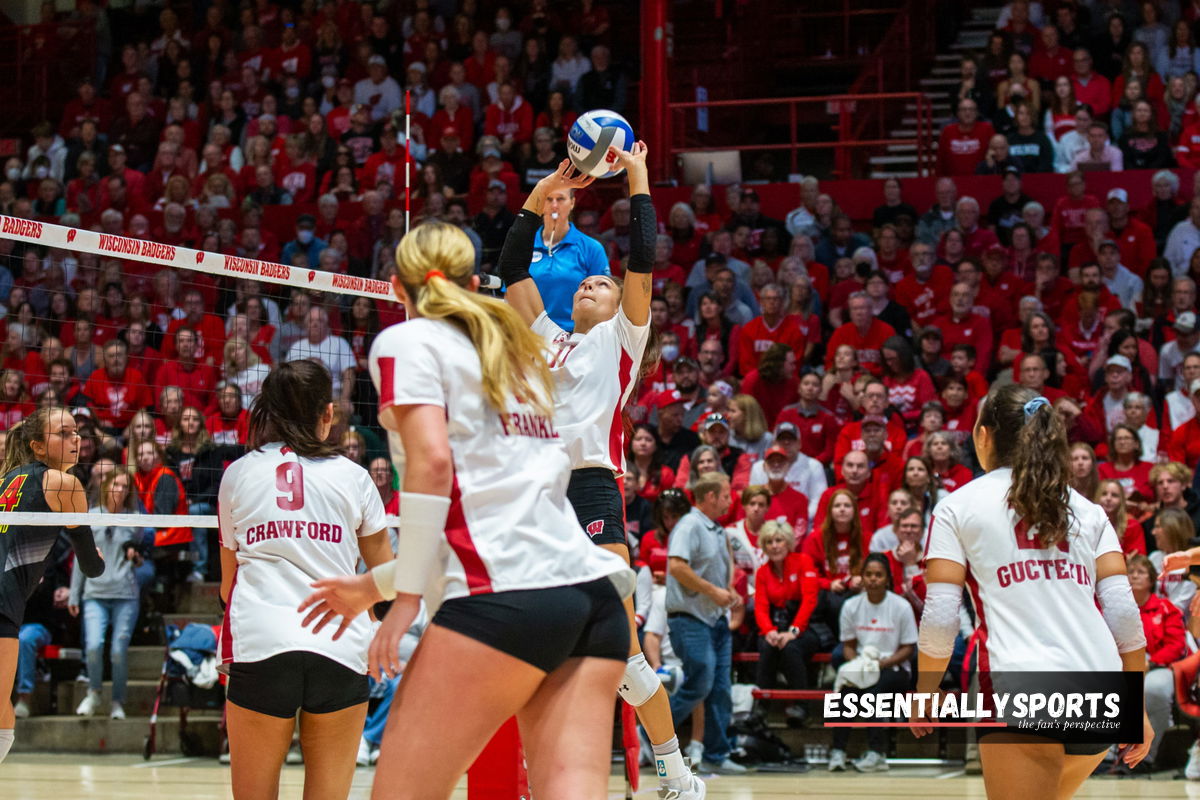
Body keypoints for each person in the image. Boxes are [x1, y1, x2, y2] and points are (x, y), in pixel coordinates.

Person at [298, 221, 636, 800]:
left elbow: (433, 465)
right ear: (475, 284)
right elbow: (502, 521)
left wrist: (406, 599)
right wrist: (372, 587)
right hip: (592, 598)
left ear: (396, 287)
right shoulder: (518, 354)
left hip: (503, 598)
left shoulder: (408, 341)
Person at [500, 148, 704, 796]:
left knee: (621, 647)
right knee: (538, 644)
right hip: (537, 495)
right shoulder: (546, 333)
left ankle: (674, 771)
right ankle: (540, 775)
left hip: (590, 487)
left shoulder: (622, 337)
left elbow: (642, 258)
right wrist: (543, 193)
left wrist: (637, 176)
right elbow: (510, 267)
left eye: (603, 285)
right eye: (587, 283)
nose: (590, 285)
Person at [912, 384, 1153, 795]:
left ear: (984, 436)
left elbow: (940, 617)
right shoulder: (1090, 511)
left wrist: (925, 691)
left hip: (1023, 687)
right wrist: (1135, 704)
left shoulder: (957, 506)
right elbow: (1124, 616)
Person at [217, 360, 392, 799]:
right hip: (339, 642)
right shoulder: (356, 478)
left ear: (269, 412)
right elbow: (386, 582)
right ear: (327, 413)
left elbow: (226, 586)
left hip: (261, 643)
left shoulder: (236, 475)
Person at [0, 406, 104, 764]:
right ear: (38, 446)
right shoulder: (65, 484)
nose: (75, 439)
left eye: (76, 432)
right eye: (63, 433)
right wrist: (97, 556)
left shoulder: (8, 478)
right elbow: (91, 566)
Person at [666, 471, 746, 774]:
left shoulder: (718, 530)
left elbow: (723, 568)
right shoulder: (689, 525)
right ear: (710, 496)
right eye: (725, 495)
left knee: (721, 689)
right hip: (690, 619)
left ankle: (716, 753)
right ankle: (648, 734)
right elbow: (677, 566)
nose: (730, 500)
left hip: (716, 620)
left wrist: (729, 590)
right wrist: (713, 591)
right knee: (700, 683)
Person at [69, 468, 148, 720]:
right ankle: (93, 693)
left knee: (118, 651)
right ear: (107, 486)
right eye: (117, 484)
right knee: (93, 646)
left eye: (125, 486)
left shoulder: (135, 519)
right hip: (94, 593)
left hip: (125, 593)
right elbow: (80, 558)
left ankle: (117, 702)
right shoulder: (91, 516)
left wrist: (136, 558)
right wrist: (74, 595)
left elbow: (140, 557)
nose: (120, 490)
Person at [829, 553, 918, 773]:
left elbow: (908, 648)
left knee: (872, 693)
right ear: (862, 577)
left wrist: (881, 664)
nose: (873, 579)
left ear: (887, 579)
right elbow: (848, 646)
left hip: (895, 668)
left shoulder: (901, 606)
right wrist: (858, 666)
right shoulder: (851, 605)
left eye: (878, 575)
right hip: (864, 664)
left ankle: (877, 754)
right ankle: (838, 751)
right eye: (868, 574)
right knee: (844, 692)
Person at [753, 521, 824, 699]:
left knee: (790, 648)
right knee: (767, 646)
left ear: (788, 542)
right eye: (769, 542)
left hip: (805, 626)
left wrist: (794, 631)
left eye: (779, 540)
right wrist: (769, 631)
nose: (774, 546)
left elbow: (809, 600)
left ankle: (801, 704)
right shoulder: (762, 572)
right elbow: (760, 607)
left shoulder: (803, 561)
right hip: (776, 625)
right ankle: (761, 705)